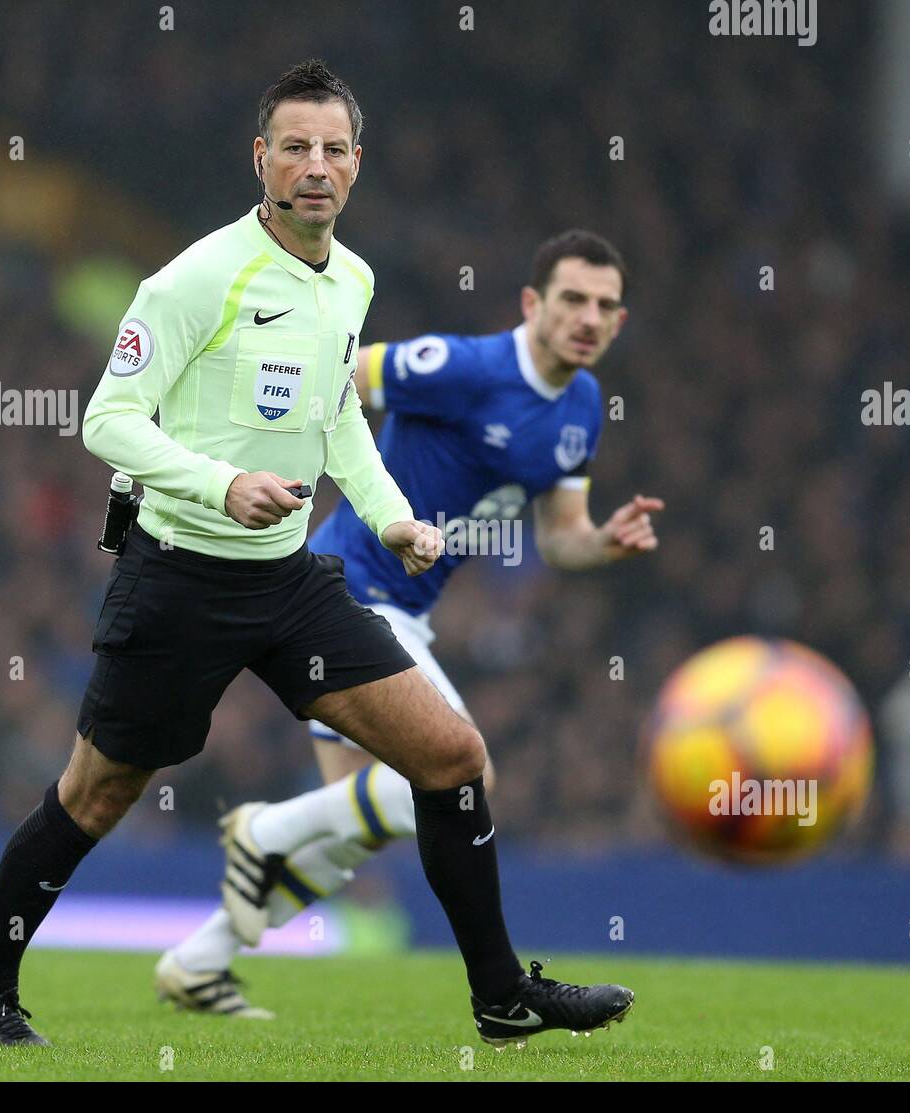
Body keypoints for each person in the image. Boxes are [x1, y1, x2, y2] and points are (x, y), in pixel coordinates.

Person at [0, 60, 632, 1050]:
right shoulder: (193, 278)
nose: (316, 165)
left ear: (357, 164)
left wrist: (390, 513)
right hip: (178, 576)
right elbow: (107, 419)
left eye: (334, 148)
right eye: (296, 147)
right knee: (96, 793)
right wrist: (219, 484)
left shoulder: (350, 279)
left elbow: (337, 418)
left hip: (289, 581)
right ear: (260, 158)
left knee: (450, 756)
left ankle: (499, 994)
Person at [159, 228, 661, 1030]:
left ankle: (199, 960)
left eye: (604, 305)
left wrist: (602, 540)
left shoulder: (581, 407)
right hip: (348, 589)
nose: (588, 317)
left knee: (357, 820)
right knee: (464, 776)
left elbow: (562, 534)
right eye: (572, 298)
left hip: (402, 608)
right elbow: (337, 374)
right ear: (532, 304)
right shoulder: (464, 367)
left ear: (619, 321)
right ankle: (264, 830)